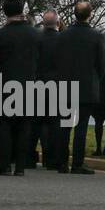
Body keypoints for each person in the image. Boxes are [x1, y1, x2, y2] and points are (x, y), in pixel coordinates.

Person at [52, 0, 105, 175]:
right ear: (90, 14)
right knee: (81, 127)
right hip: (86, 86)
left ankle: (61, 162)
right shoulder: (96, 36)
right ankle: (77, 162)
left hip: (66, 85)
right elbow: (102, 63)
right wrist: (96, 79)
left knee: (65, 126)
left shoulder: (62, 35)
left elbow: (56, 61)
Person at [0, 0, 41, 176]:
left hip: (5, 84)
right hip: (29, 84)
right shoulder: (35, 34)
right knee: (25, 126)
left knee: (4, 125)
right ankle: (20, 166)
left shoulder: (0, 35)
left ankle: (4, 165)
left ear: (5, 12)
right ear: (21, 10)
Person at [30, 9, 63, 169]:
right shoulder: (63, 40)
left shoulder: (35, 38)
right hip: (57, 84)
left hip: (37, 83)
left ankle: (29, 156)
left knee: (34, 122)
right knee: (54, 123)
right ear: (58, 23)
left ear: (43, 23)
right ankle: (51, 159)